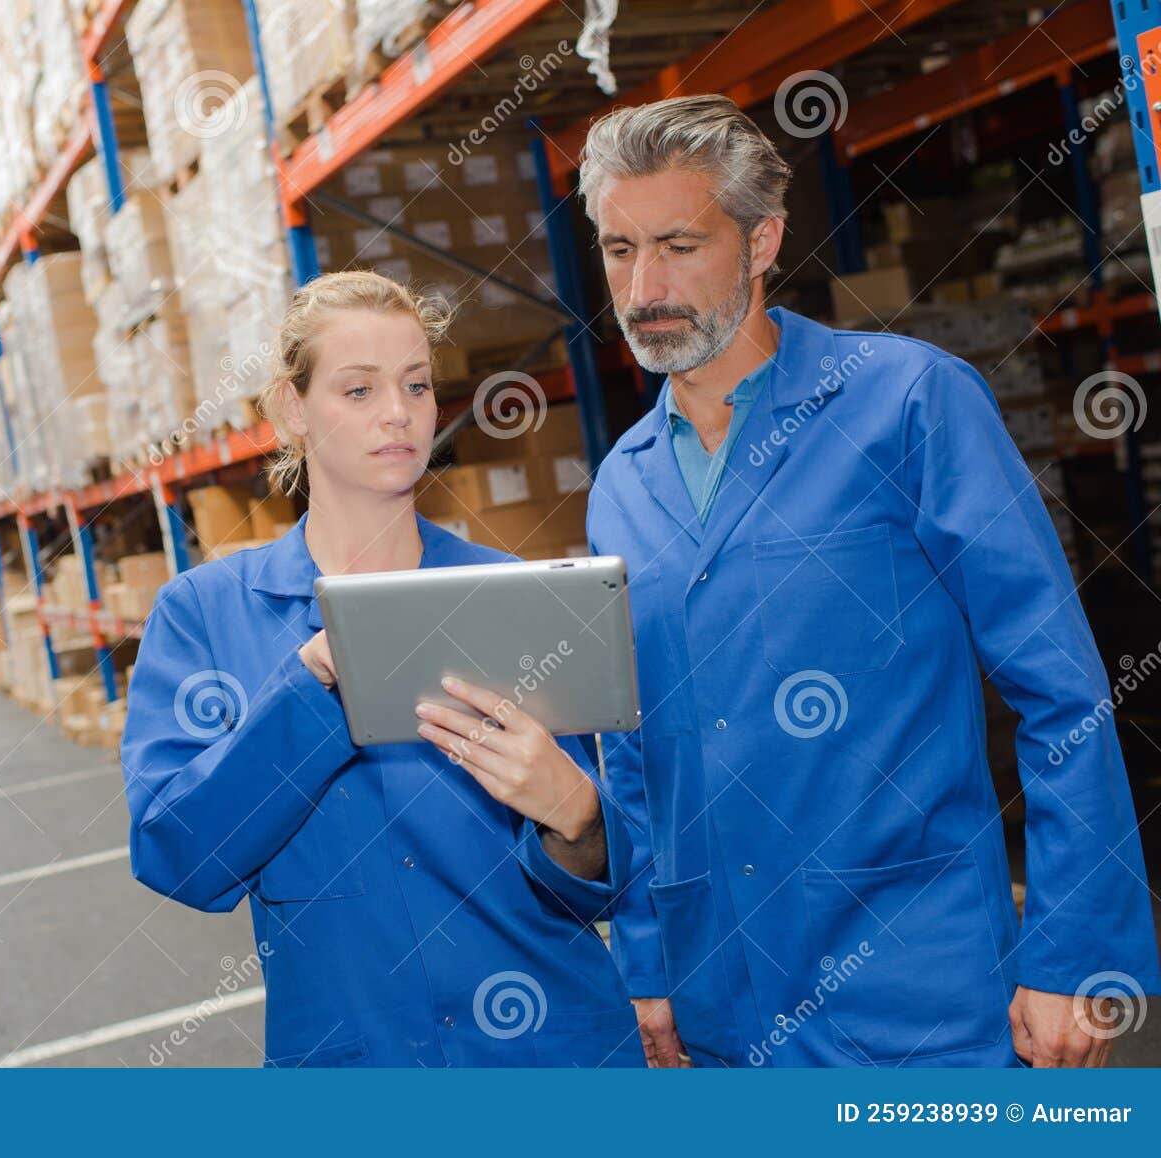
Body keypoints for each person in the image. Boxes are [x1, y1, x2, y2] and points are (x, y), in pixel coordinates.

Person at [579, 94, 1160, 1068]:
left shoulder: (909, 404)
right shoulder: (619, 489)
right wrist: (647, 961)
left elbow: (1060, 690)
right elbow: (631, 758)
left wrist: (1073, 951)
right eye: (617, 249)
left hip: (916, 987)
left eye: (678, 245)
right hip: (724, 1001)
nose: (644, 287)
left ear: (762, 241)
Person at [121, 270, 641, 1067]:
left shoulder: (510, 595)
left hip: (548, 1054)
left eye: (416, 385)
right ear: (292, 409)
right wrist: (310, 688)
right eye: (359, 390)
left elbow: (588, 881)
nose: (398, 412)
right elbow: (179, 856)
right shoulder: (206, 617)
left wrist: (577, 816)